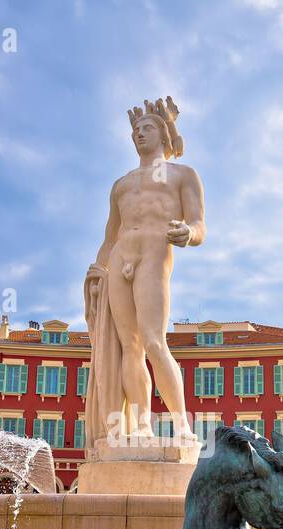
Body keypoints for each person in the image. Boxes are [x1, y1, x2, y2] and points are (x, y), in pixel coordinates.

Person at [86, 97, 206, 444]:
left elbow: (199, 224)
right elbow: (110, 237)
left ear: (165, 134)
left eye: (148, 127)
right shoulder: (121, 184)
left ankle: (181, 425)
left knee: (154, 341)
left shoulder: (183, 174)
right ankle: (140, 427)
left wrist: (189, 234)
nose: (140, 133)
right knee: (129, 347)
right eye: (136, 130)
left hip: (155, 256)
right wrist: (97, 273)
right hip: (121, 258)